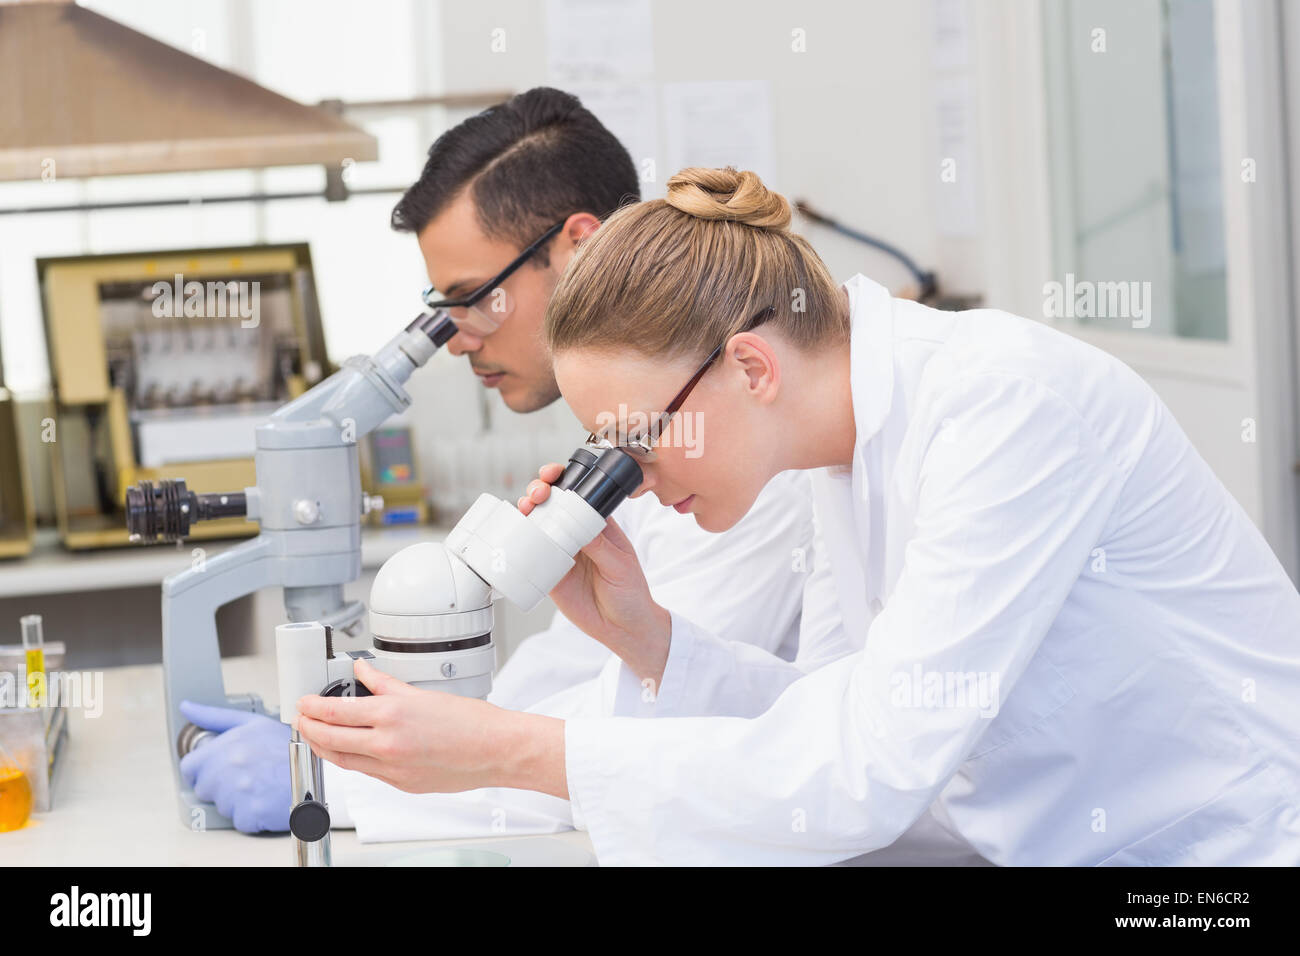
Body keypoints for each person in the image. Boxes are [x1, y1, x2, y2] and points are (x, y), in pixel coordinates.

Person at [296, 166, 1300, 866]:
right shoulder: (838, 454)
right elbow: (827, 716)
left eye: (640, 440)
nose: (634, 481)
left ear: (749, 365)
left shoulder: (1007, 407)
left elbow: (869, 768)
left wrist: (511, 750)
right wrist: (647, 640)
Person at [176, 93, 815, 839]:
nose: (456, 339)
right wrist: (373, 743)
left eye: (474, 298)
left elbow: (661, 744)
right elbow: (552, 687)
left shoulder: (733, 452)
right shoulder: (637, 444)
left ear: (576, 246)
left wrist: (333, 787)